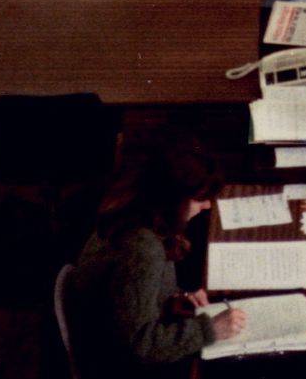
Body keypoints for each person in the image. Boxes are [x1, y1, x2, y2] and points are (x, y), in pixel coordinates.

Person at [68, 134, 244, 377]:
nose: (207, 206)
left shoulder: (133, 211)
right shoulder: (142, 248)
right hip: (116, 366)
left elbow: (132, 293)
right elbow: (141, 344)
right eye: (199, 199)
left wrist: (175, 296)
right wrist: (210, 330)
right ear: (172, 199)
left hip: (105, 337)